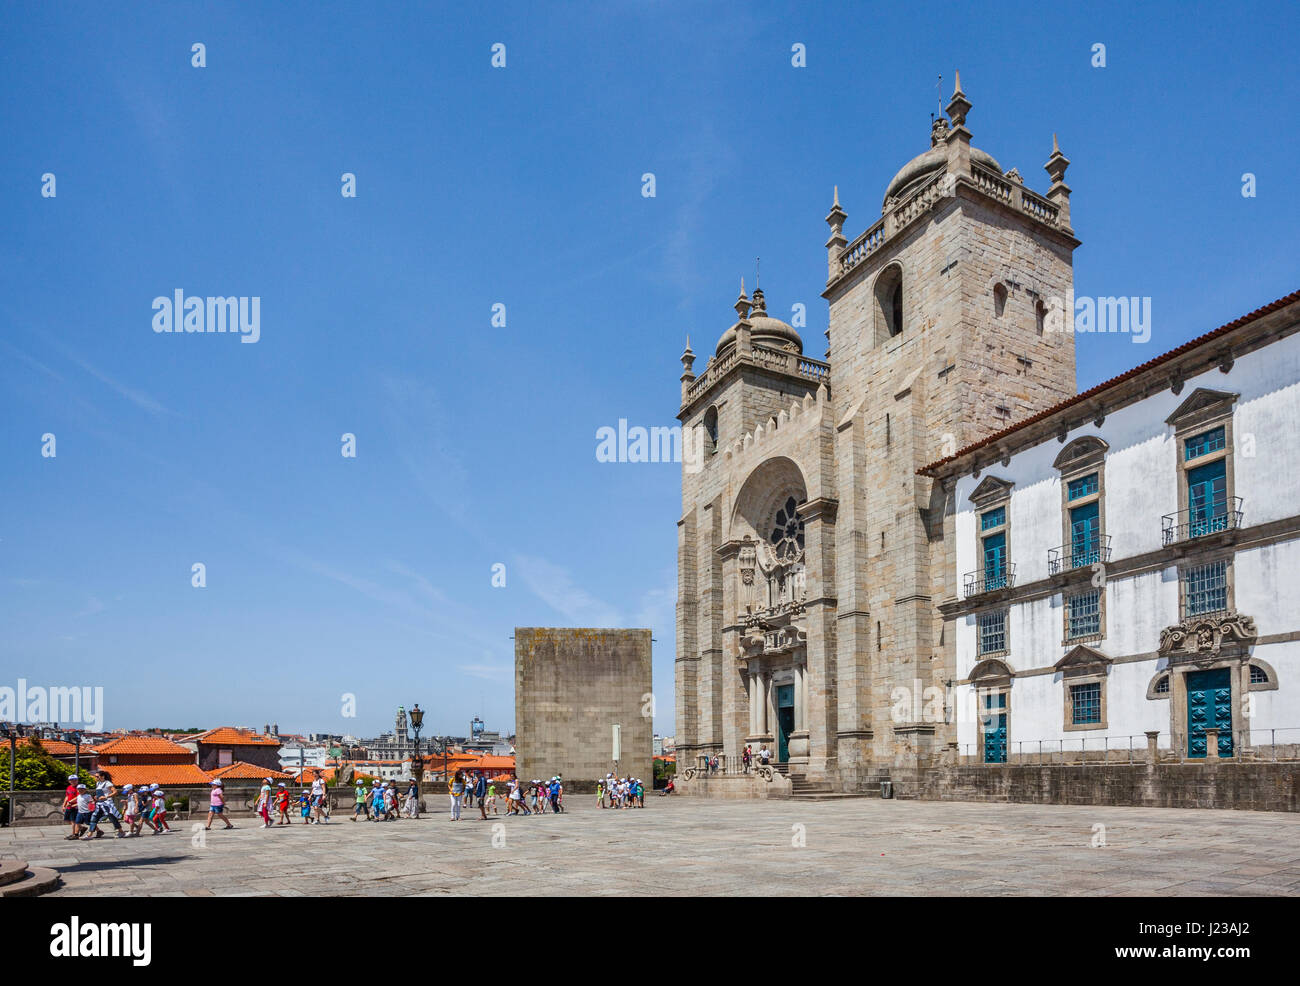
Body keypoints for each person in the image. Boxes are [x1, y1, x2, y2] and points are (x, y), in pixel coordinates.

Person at [62, 774, 81, 840]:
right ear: (69, 781)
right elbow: (67, 796)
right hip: (69, 806)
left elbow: (78, 797)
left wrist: (71, 803)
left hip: (75, 806)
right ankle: (81, 828)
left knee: (73, 821)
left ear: (77, 780)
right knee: (67, 820)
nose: (73, 781)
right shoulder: (69, 787)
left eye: (75, 780)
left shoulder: (78, 788)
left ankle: (74, 834)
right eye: (71, 780)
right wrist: (64, 805)